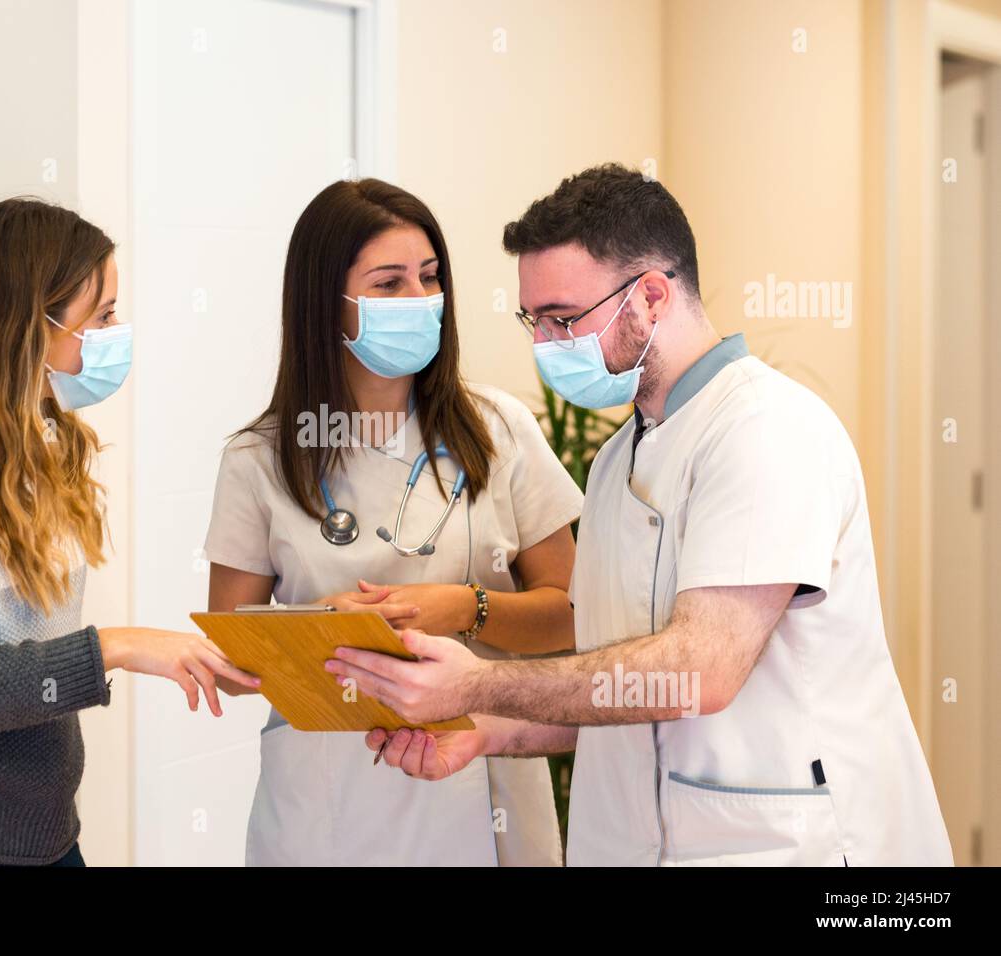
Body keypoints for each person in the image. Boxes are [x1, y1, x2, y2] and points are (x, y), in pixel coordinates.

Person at [331, 164, 954, 866]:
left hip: (793, 844)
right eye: (533, 321)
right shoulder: (616, 461)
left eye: (563, 319)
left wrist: (477, 680)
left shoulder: (768, 429)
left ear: (651, 295)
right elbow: (618, 685)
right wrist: (487, 728)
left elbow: (699, 671)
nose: (545, 346)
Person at [0, 197, 257, 867]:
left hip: (38, 837)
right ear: (31, 324)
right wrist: (114, 648)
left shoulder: (29, 439)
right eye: (104, 316)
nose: (120, 332)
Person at [204, 178, 582, 866]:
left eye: (430, 277)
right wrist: (326, 625)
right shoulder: (258, 460)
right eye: (389, 284)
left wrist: (462, 608)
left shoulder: (501, 430)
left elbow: (572, 613)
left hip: (479, 778)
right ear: (328, 303)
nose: (419, 301)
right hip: (328, 797)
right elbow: (229, 665)